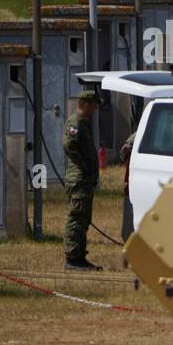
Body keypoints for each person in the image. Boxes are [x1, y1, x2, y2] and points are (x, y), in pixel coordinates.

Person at [63, 89, 102, 271]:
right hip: (78, 179)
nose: (94, 110)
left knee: (84, 218)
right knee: (77, 218)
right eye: (93, 106)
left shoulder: (83, 123)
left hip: (84, 180)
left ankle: (79, 256)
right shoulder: (76, 123)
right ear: (85, 104)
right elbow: (70, 146)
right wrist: (84, 168)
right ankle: (72, 258)